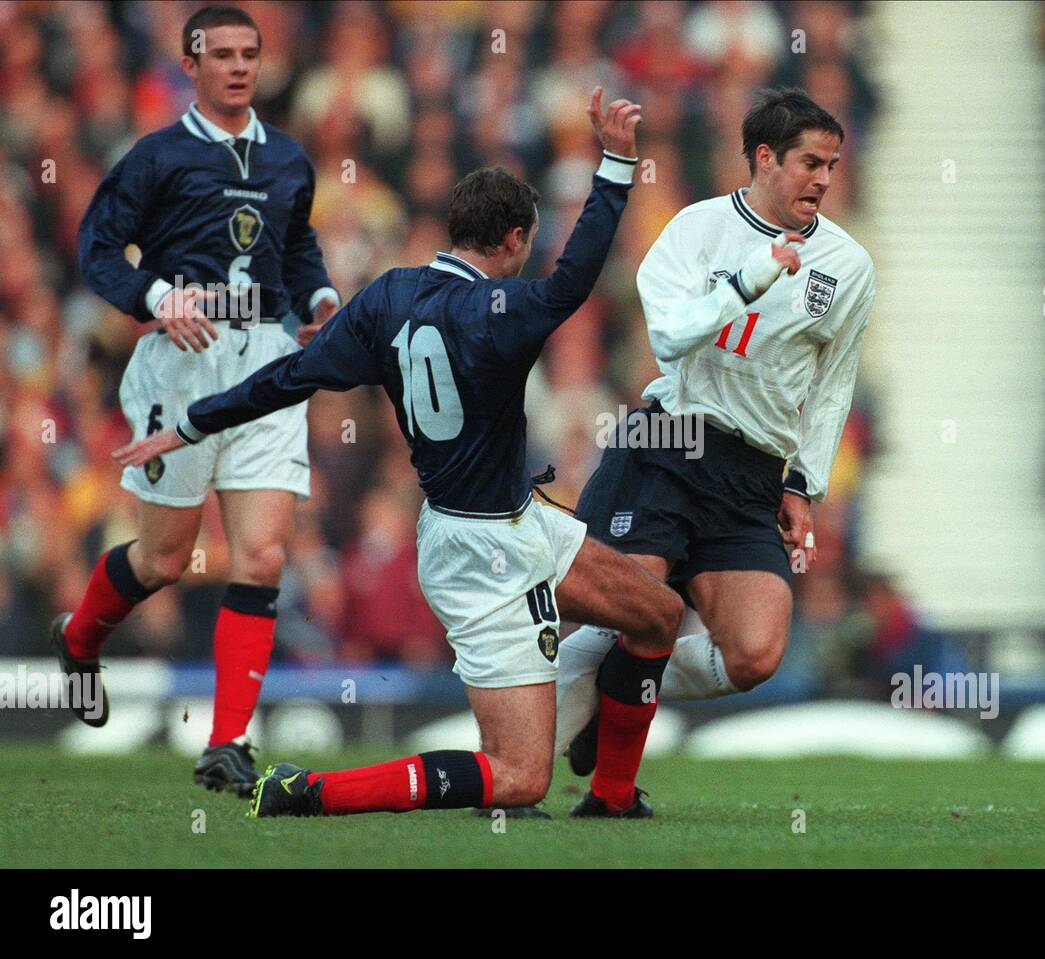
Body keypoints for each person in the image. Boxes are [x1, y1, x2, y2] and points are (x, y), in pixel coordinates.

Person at [113, 89, 682, 820]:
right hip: (481, 548)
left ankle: (609, 797)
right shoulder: (503, 312)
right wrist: (616, 165)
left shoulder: (386, 299)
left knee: (656, 614)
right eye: (526, 242)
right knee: (518, 778)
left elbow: (289, 378)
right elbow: (578, 275)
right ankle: (310, 791)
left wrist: (192, 423)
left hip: (513, 519)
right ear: (512, 238)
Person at [556, 88, 878, 796]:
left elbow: (832, 387)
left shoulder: (848, 265)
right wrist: (756, 275)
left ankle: (614, 688)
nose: (824, 179)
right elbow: (668, 337)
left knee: (756, 652)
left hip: (753, 471)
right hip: (670, 442)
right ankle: (595, 788)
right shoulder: (692, 231)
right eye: (810, 163)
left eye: (831, 164)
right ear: (765, 159)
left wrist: (803, 485)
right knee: (628, 606)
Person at [56, 6, 341, 795]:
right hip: (180, 365)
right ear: (191, 64)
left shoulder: (288, 158)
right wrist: (153, 293)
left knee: (263, 555)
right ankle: (79, 642)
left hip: (267, 365)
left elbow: (295, 245)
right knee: (165, 559)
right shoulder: (156, 157)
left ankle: (228, 743)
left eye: (250, 54)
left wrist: (318, 297)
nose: (239, 67)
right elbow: (98, 247)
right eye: (222, 55)